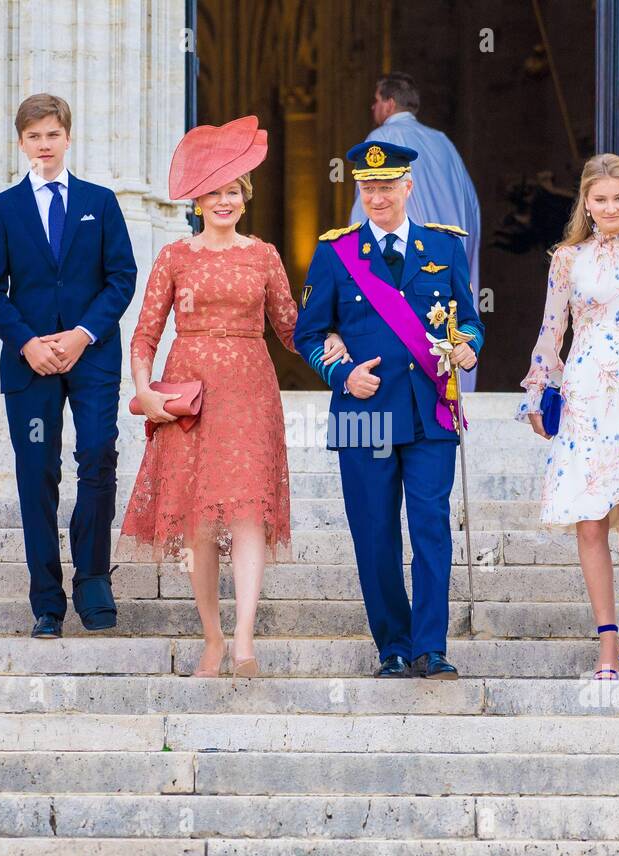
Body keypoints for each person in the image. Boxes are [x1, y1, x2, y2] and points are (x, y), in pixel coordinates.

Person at [120, 116, 346, 678]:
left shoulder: (265, 255)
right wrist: (144, 390)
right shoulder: (175, 257)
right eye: (213, 193)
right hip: (190, 392)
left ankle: (244, 640)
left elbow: (292, 328)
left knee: (247, 514)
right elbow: (146, 333)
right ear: (197, 201)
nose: (224, 201)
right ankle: (213, 638)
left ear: (245, 199)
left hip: (250, 389)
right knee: (198, 522)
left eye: (233, 192)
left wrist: (339, 343)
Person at [297, 140, 484, 680]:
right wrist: (341, 374)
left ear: (408, 187)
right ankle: (393, 646)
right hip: (365, 410)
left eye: (387, 186)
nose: (377, 196)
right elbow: (306, 332)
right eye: (368, 187)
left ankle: (431, 645)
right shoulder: (336, 253)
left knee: (431, 527)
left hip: (430, 410)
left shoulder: (443, 248)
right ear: (359, 191)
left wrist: (470, 343)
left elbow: (469, 320)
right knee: (375, 532)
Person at [0, 93, 138, 639]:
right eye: (33, 137)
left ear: (67, 137)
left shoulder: (101, 201)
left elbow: (121, 277)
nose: (43, 144)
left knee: (97, 455)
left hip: (91, 357)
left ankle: (93, 578)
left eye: (52, 134)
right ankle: (46, 599)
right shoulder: (3, 209)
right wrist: (27, 343)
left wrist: (82, 333)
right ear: (21, 143)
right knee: (37, 472)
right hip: (31, 365)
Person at [517, 153, 619, 681]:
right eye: (600, 199)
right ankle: (606, 638)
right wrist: (537, 388)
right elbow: (551, 329)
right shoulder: (567, 258)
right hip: (585, 390)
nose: (610, 207)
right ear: (586, 203)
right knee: (589, 516)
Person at [349, 72, 482, 390]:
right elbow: (471, 206)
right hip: (448, 258)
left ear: (389, 103)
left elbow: (366, 212)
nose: (373, 107)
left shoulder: (381, 141)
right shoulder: (443, 142)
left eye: (376, 100)